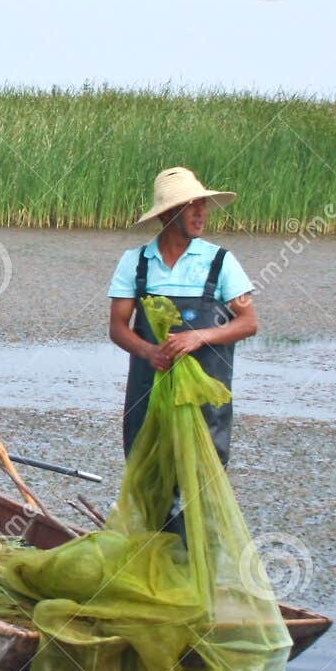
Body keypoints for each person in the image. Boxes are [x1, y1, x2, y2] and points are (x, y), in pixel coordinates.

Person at [108, 166, 258, 469]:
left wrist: (199, 336)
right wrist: (149, 351)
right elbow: (117, 327)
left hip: (204, 406)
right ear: (166, 214)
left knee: (198, 484)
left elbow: (248, 322)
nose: (200, 213)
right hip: (148, 397)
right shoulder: (135, 263)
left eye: (202, 205)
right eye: (191, 206)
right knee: (147, 475)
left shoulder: (221, 262)